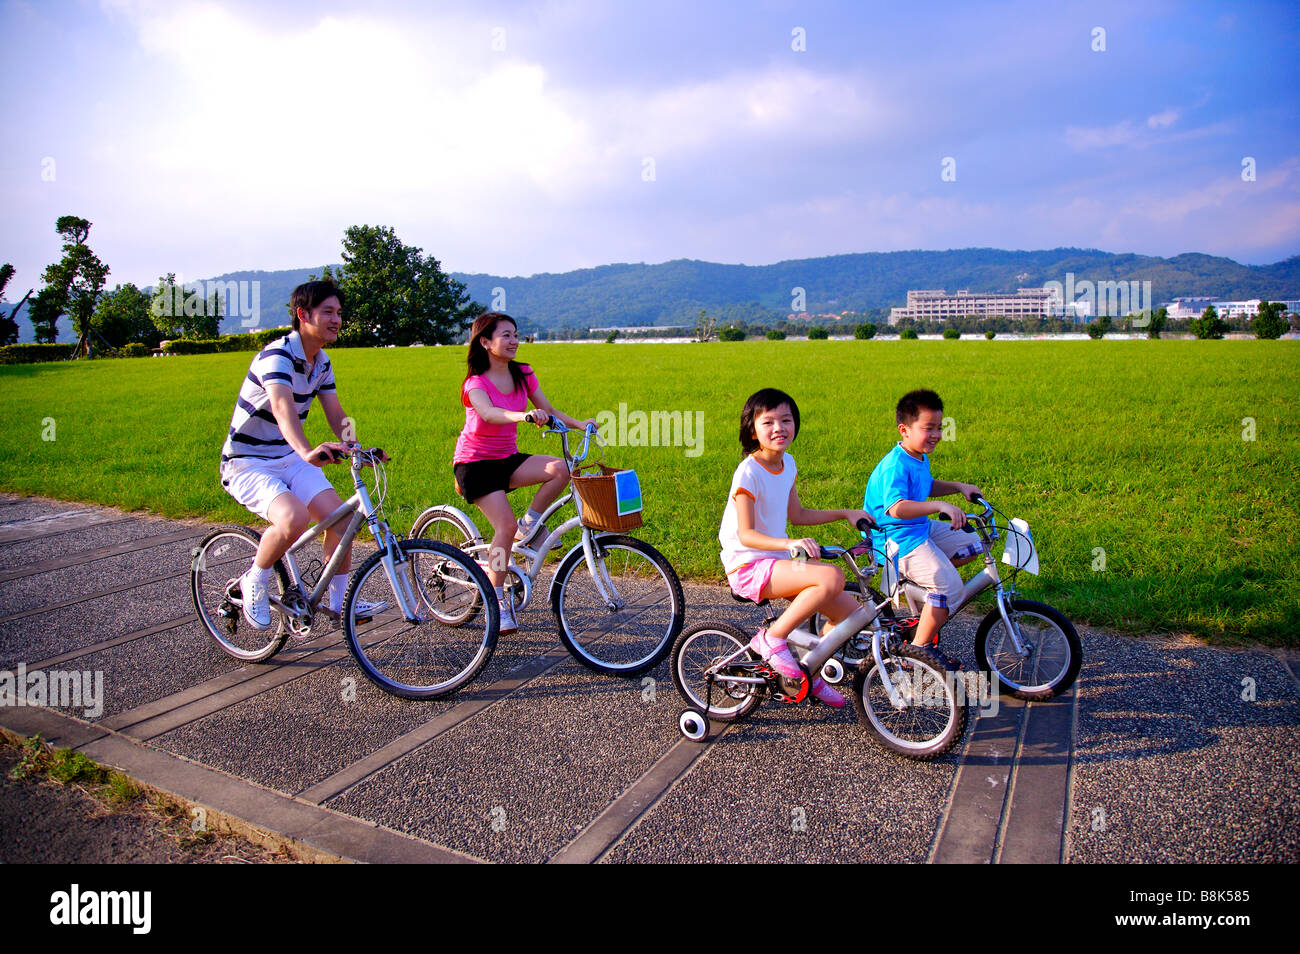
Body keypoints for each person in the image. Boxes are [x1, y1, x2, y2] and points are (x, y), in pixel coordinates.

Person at [219, 279, 385, 630]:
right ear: (302, 314)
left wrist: (357, 448)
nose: (336, 319)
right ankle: (256, 580)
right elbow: (282, 409)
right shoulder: (276, 356)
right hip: (248, 462)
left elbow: (337, 413)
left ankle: (341, 605)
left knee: (342, 521)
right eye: (328, 312)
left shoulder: (321, 361)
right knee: (293, 518)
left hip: (289, 458)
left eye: (339, 312)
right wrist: (308, 451)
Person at [718, 388, 872, 708]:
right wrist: (790, 544)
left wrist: (845, 513)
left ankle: (806, 673)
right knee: (830, 578)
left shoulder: (787, 463)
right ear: (752, 430)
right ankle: (772, 638)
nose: (779, 428)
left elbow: (798, 516)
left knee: (851, 615)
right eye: (768, 422)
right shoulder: (749, 471)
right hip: (747, 565)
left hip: (775, 560)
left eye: (786, 420)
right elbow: (745, 534)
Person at [454, 312, 594, 635]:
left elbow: (550, 408)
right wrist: (524, 416)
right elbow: (489, 413)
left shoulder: (523, 373)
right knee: (503, 526)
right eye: (506, 335)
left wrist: (579, 423)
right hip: (474, 466)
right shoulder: (474, 383)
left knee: (561, 468)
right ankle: (498, 600)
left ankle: (529, 525)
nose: (514, 340)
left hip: (506, 458)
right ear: (485, 343)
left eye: (515, 334)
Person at [862, 389, 983, 666]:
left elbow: (925, 486)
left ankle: (925, 592)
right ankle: (917, 652)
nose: (937, 434)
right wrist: (940, 506)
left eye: (939, 428)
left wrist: (958, 487)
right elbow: (897, 508)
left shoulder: (917, 456)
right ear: (904, 430)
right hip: (895, 537)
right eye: (928, 428)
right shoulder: (895, 464)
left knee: (972, 543)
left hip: (918, 528)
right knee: (950, 587)